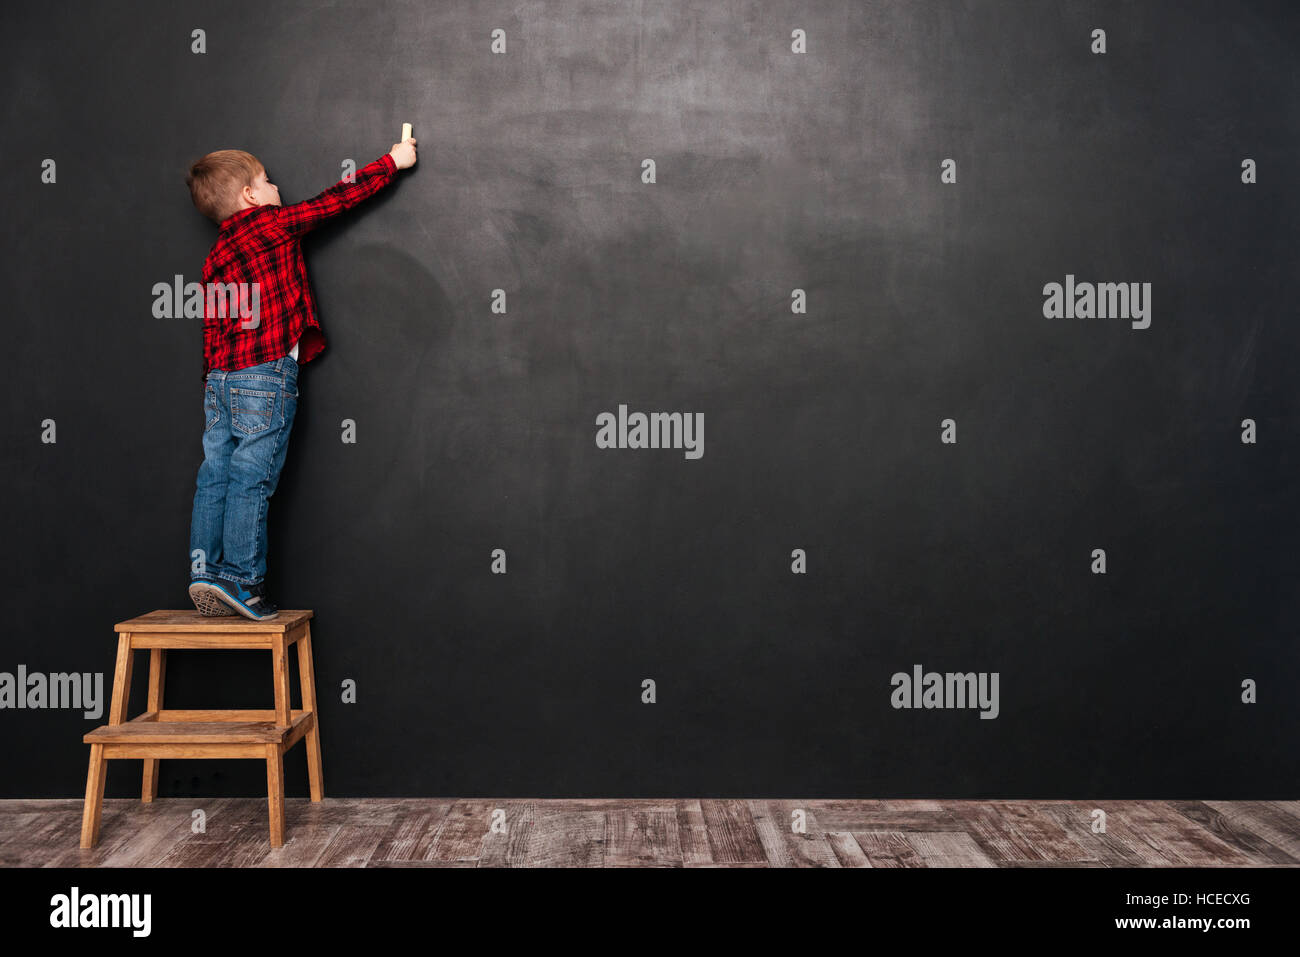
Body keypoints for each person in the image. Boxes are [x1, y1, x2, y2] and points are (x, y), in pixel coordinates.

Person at [184, 136, 418, 619]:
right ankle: (243, 582)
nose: (276, 187)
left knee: (215, 476)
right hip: (263, 375)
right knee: (252, 477)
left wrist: (212, 383)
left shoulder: (214, 258)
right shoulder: (269, 224)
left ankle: (204, 571)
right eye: (267, 181)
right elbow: (334, 201)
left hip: (220, 382)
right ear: (251, 197)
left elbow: (211, 328)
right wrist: (391, 163)